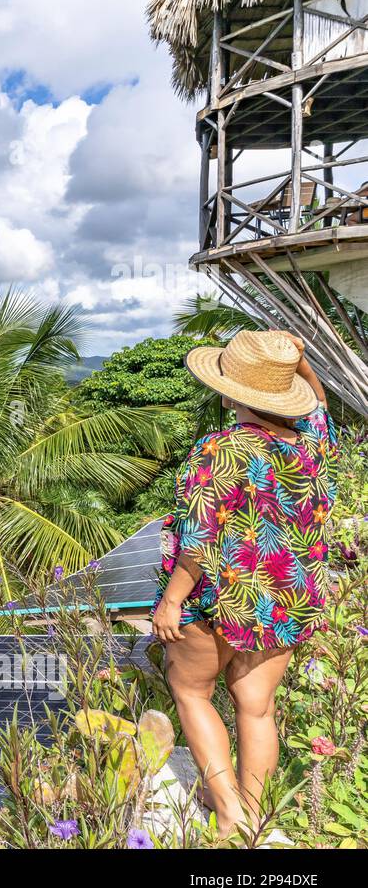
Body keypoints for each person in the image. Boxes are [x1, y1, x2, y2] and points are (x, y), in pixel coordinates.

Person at [151, 330, 337, 837]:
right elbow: (318, 405)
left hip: (217, 596)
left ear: (231, 392)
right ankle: (254, 820)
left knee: (190, 690)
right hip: (286, 597)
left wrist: (171, 603)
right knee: (257, 709)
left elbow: (200, 537)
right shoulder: (313, 446)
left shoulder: (220, 449)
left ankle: (228, 814)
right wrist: (296, 365)